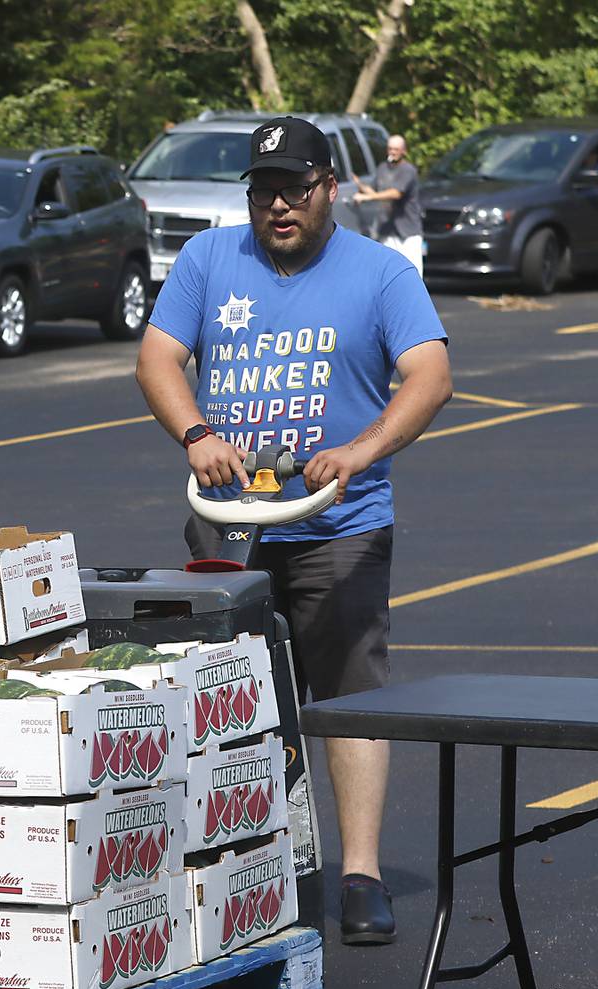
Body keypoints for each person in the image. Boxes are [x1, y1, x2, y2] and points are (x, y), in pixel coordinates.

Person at [134, 116, 452, 946]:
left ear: (330, 189)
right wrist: (198, 435)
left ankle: (360, 875)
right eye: (264, 189)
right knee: (227, 701)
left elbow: (431, 376)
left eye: (296, 189)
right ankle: (245, 866)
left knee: (346, 694)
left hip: (338, 521)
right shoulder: (209, 260)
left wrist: (359, 451)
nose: (279, 205)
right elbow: (158, 358)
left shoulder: (379, 272)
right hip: (230, 522)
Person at [353, 134, 425, 275]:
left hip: (407, 231)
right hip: (387, 230)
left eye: (396, 149)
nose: (392, 152)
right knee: (387, 273)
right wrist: (359, 184)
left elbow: (396, 193)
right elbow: (373, 190)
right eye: (390, 148)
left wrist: (368, 197)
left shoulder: (408, 170)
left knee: (412, 273)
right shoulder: (382, 168)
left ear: (404, 151)